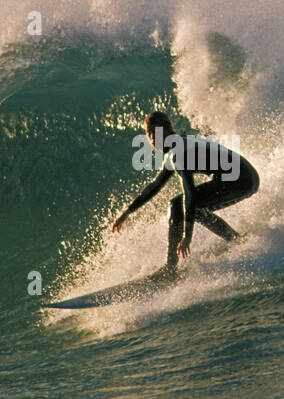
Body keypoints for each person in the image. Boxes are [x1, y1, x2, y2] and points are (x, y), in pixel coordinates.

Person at [111, 111, 259, 278]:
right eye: (148, 133)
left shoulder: (179, 152)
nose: (151, 137)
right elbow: (155, 185)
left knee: (177, 205)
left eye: (154, 131)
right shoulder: (178, 146)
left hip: (241, 179)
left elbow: (190, 194)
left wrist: (187, 235)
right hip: (246, 177)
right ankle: (238, 241)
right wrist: (127, 212)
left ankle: (170, 269)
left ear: (167, 129)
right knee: (195, 210)